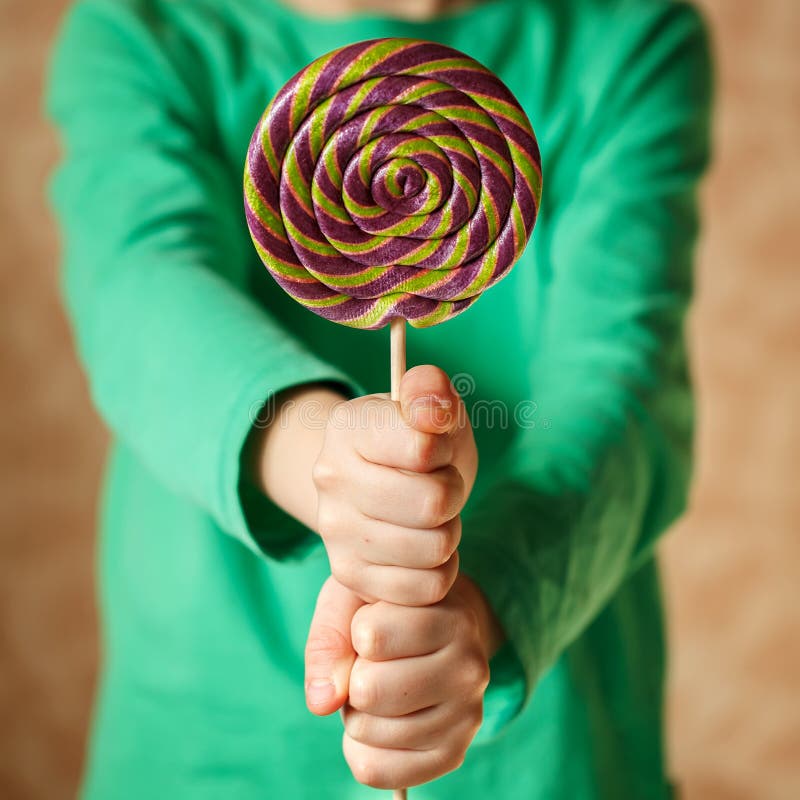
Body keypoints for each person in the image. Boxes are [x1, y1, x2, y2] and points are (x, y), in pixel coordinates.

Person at [45, 0, 712, 797]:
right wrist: (326, 459)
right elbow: (141, 288)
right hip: (215, 728)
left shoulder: (629, 34)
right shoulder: (143, 24)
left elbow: (621, 382)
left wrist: (478, 610)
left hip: (541, 715)